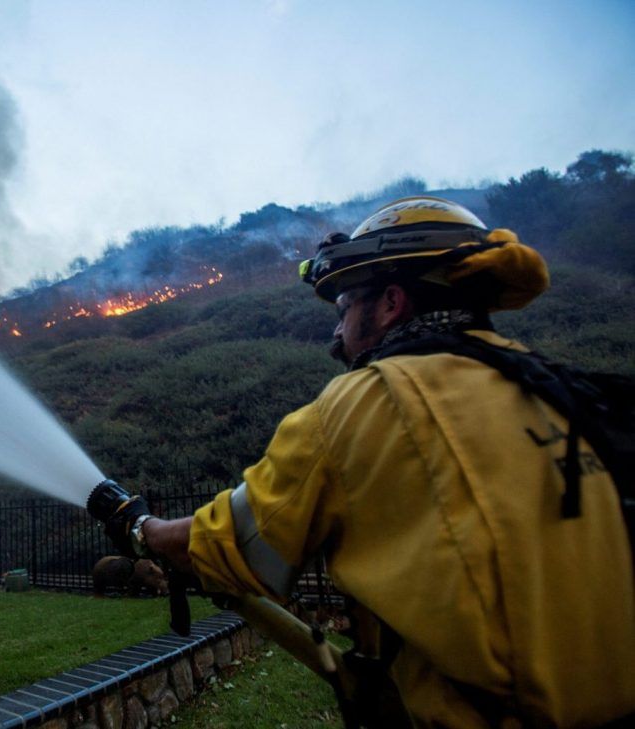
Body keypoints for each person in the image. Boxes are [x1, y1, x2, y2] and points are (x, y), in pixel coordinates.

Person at [104, 197, 635, 727]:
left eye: (344, 311)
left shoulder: (364, 403)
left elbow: (225, 543)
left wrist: (141, 529)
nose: (336, 333)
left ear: (390, 304)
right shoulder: (561, 390)